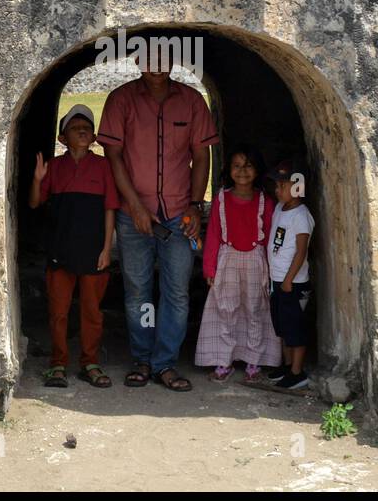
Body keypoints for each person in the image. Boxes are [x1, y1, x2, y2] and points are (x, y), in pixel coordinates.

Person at [97, 44, 218, 392]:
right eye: (149, 59)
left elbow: (201, 155)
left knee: (176, 292)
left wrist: (196, 205)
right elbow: (114, 157)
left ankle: (165, 363)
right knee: (139, 292)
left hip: (178, 215)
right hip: (133, 215)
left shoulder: (192, 101)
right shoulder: (121, 99)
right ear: (137, 61)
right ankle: (142, 357)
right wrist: (134, 205)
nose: (156, 66)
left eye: (164, 58)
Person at [29, 104, 118, 388]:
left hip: (93, 251)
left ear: (93, 137)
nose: (82, 130)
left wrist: (107, 249)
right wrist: (37, 179)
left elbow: (109, 210)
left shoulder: (104, 166)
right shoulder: (54, 168)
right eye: (74, 127)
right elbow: (34, 203)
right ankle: (58, 364)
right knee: (59, 312)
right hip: (60, 250)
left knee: (92, 312)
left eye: (87, 128)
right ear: (62, 138)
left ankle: (90, 363)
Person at [195, 146, 282, 381]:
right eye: (236, 166)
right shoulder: (221, 200)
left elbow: (271, 237)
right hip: (228, 259)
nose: (242, 171)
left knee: (254, 309)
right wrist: (209, 268)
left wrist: (273, 271)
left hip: (255, 260)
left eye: (248, 165)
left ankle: (254, 360)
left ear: (257, 170)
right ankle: (225, 359)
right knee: (226, 308)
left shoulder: (265, 201)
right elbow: (213, 234)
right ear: (228, 170)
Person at [266, 160, 315, 390]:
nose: (277, 190)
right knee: (283, 327)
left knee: (295, 328)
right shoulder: (280, 208)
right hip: (277, 280)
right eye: (277, 185)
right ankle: (287, 366)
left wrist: (288, 279)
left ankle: (297, 372)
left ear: (297, 187)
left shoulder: (301, 216)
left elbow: (301, 250)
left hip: (292, 283)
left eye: (281, 186)